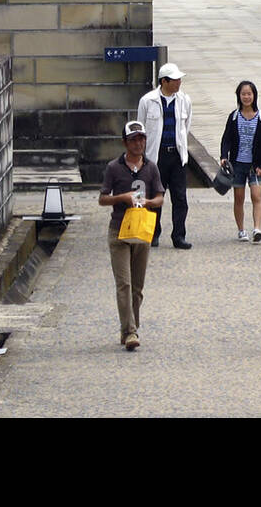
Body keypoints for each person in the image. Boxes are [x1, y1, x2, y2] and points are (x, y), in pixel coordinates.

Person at [99, 120, 166, 350]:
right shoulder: (114, 167)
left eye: (142, 139)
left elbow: (160, 197)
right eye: (134, 139)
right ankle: (130, 332)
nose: (139, 143)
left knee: (137, 286)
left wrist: (148, 202)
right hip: (119, 229)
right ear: (125, 142)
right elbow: (102, 198)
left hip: (142, 229)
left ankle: (129, 327)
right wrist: (123, 197)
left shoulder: (151, 167)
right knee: (124, 284)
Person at [137, 62, 192, 248]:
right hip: (156, 156)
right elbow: (141, 128)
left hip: (176, 155)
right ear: (164, 81)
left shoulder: (184, 100)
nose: (179, 83)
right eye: (175, 80)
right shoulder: (147, 100)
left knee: (180, 197)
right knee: (155, 196)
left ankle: (179, 236)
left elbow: (186, 127)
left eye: (179, 79)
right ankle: (153, 233)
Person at [219, 79, 261, 243]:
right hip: (237, 164)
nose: (246, 97)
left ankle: (257, 228)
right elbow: (226, 139)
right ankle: (241, 230)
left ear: (254, 96)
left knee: (256, 195)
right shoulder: (234, 117)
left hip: (255, 166)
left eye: (249, 94)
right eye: (243, 94)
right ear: (239, 96)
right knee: (239, 197)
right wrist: (223, 156)